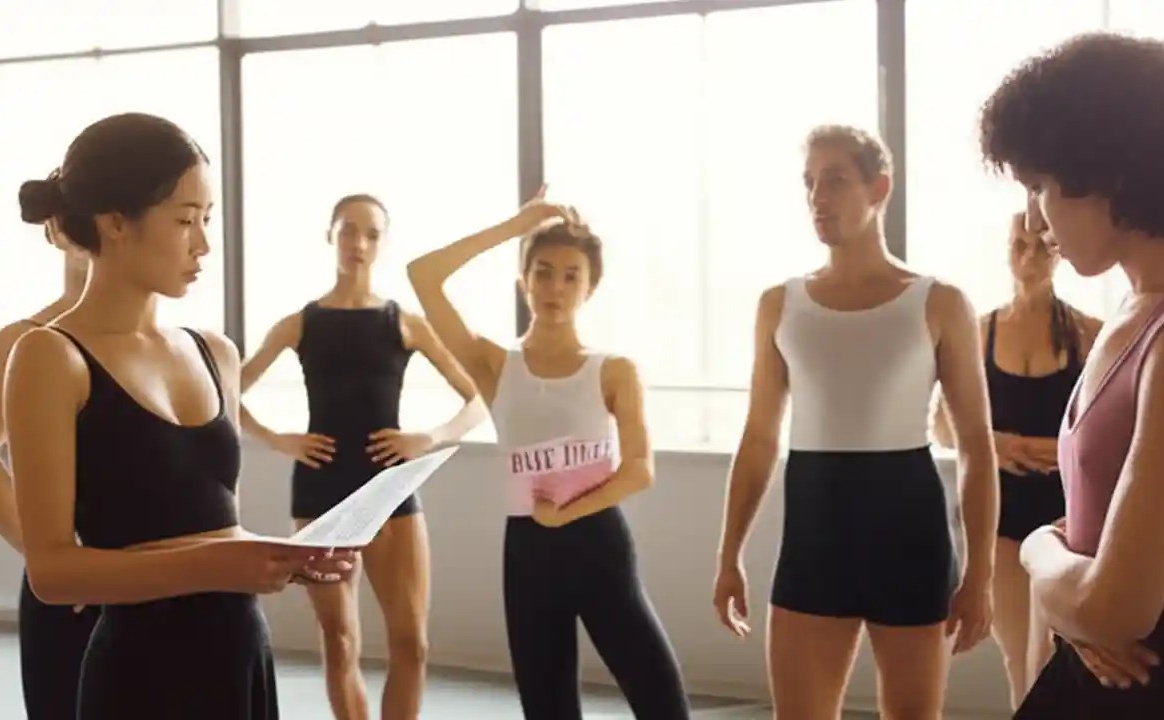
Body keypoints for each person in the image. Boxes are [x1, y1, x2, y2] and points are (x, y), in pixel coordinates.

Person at [5, 112, 356, 720]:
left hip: (240, 652)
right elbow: (54, 573)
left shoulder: (215, 352)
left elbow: (215, 523)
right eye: (185, 221)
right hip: (139, 673)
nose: (203, 244)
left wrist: (286, 558)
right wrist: (219, 564)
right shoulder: (47, 356)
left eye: (208, 220)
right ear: (116, 222)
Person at [979, 32, 1164, 718]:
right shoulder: (1142, 313)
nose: (1032, 218)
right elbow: (1095, 531)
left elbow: (1114, 612)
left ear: (1108, 173)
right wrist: (1067, 584)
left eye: (1041, 187)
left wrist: (1036, 556)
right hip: (1084, 689)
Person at [712, 124, 998, 719]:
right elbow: (761, 436)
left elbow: (975, 444)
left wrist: (981, 573)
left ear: (879, 188)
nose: (818, 196)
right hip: (815, 540)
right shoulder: (779, 305)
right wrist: (728, 553)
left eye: (836, 180)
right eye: (810, 182)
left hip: (910, 540)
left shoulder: (939, 302)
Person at [406, 189, 691, 720]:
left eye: (570, 275)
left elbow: (639, 470)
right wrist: (514, 227)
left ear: (591, 287)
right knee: (546, 707)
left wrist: (568, 512)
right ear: (524, 280)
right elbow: (422, 274)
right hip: (528, 552)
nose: (554, 287)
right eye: (542, 272)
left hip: (599, 544)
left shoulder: (613, 369)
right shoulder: (494, 364)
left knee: (661, 701)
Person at [238, 193, 485, 720]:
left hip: (390, 487)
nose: (359, 243)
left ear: (383, 243)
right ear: (331, 235)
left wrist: (430, 436)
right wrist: (278, 439)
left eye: (372, 233)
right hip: (321, 487)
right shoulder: (298, 324)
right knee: (341, 639)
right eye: (349, 230)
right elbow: (224, 391)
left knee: (412, 642)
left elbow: (479, 396)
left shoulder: (405, 322)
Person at [930, 208, 1101, 709]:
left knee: (1051, 653)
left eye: (1042, 246)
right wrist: (998, 444)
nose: (1029, 256)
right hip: (1001, 514)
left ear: (1059, 252)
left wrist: (1060, 447)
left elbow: (1112, 427)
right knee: (1016, 656)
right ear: (1006, 249)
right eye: (1019, 244)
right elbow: (942, 424)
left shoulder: (1090, 333)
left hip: (1066, 513)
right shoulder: (978, 330)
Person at [0, 215, 100, 719]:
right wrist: (47, 552)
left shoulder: (178, 344)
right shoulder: (22, 341)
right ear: (55, 229)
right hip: (69, 593)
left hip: (157, 588)